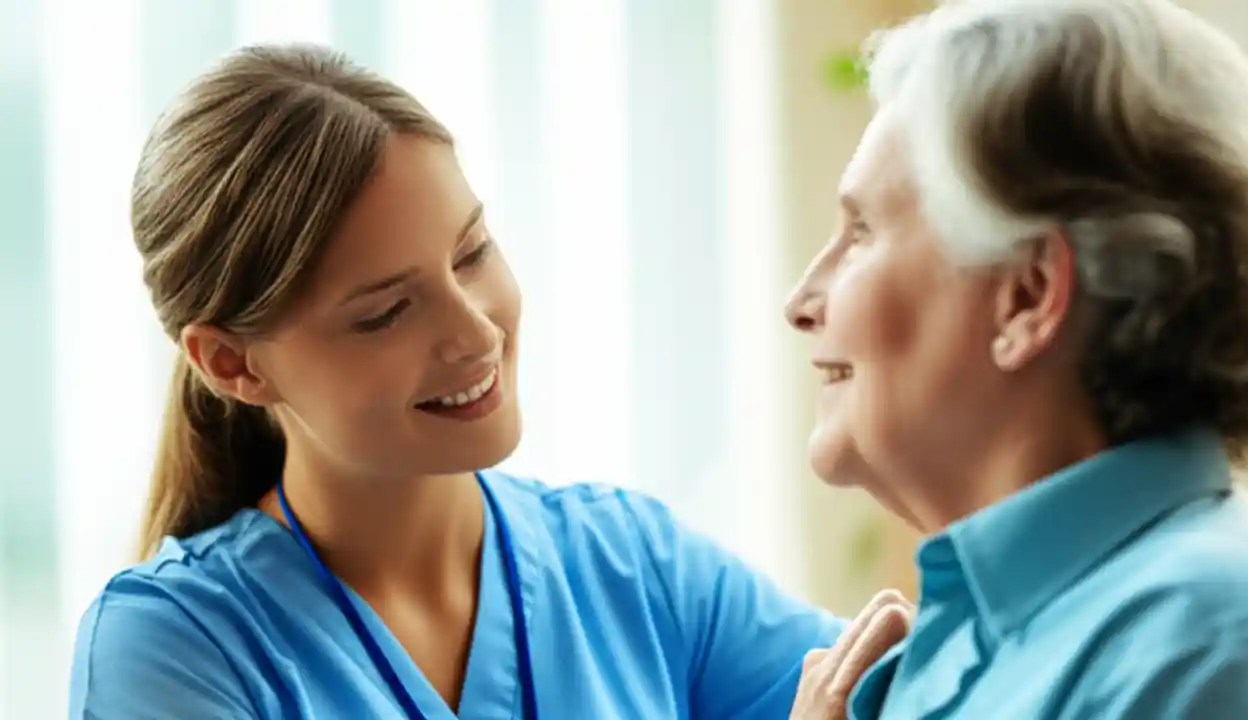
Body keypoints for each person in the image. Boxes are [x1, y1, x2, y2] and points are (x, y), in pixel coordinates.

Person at [66, 44, 865, 720]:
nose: (477, 332)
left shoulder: (630, 565)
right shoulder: (172, 648)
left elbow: (910, 687)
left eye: (472, 253)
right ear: (233, 363)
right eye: (386, 313)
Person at [784, 0, 1248, 717]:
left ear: (1028, 295)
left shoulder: (1201, 644)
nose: (801, 301)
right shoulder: (981, 639)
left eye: (860, 232)